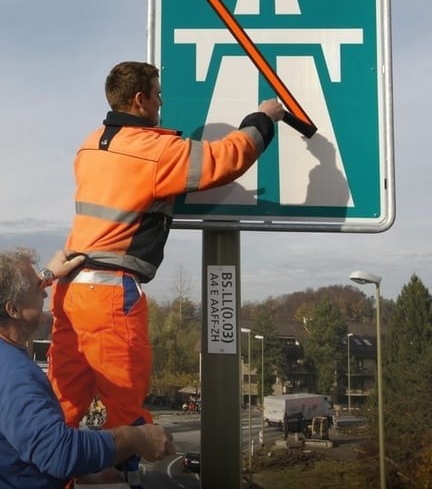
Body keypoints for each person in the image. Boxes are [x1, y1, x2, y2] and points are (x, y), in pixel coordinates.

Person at [48, 61, 285, 486]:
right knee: (126, 414)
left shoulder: (91, 146)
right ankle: (119, 479)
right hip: (109, 295)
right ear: (139, 100)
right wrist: (264, 118)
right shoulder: (151, 151)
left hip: (70, 290)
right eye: (157, 95)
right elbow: (223, 159)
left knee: (62, 407)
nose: (162, 103)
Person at [0, 247, 175, 489]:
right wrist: (136, 438)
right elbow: (57, 453)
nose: (44, 294)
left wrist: (45, 274)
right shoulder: (11, 372)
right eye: (37, 289)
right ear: (12, 309)